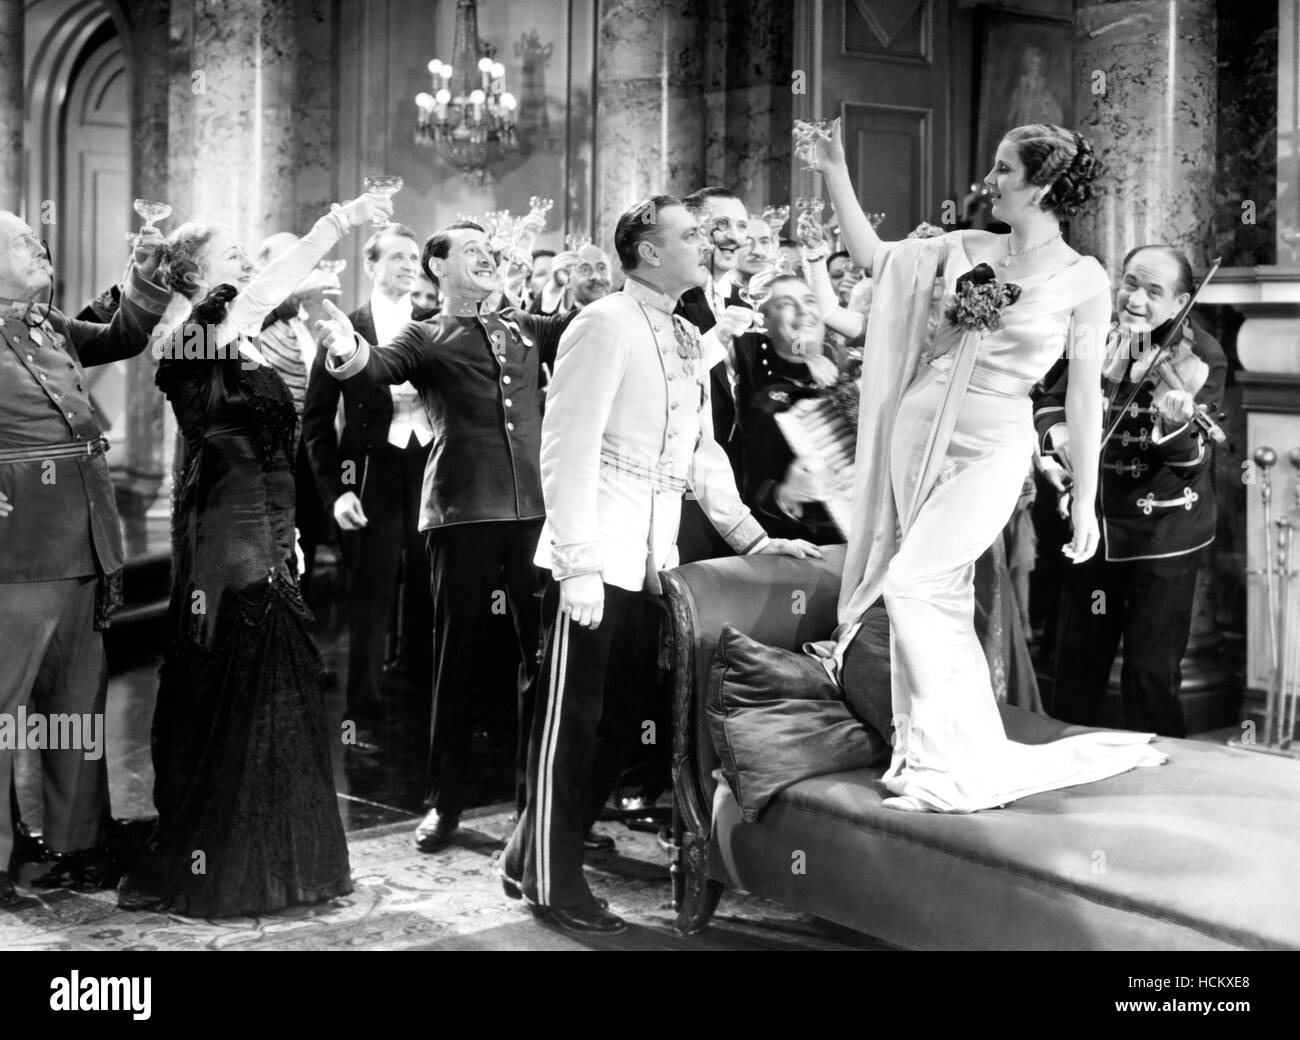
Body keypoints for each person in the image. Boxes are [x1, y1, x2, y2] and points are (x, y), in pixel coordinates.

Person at [806, 119, 1167, 813]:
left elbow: (1086, 396)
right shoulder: (969, 246)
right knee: (932, 594)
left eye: (1005, 169)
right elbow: (874, 257)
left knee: (913, 583)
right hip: (918, 433)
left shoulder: (1085, 280)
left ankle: (950, 761)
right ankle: (931, 753)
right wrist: (834, 169)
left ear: (1045, 186)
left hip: (993, 443)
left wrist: (1085, 500)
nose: (989, 181)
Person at [500, 196, 820, 934]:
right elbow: (566, 447)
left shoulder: (683, 333)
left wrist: (753, 540)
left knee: (625, 724)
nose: (705, 244)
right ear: (646, 251)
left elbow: (701, 456)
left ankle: (532, 852)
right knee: (570, 726)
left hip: (653, 564)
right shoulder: (603, 323)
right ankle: (552, 882)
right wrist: (578, 563)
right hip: (593, 560)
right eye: (690, 234)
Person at [115, 190, 392, 916]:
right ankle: (220, 864)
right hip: (226, 543)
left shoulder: (239, 333)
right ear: (193, 275)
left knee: (281, 687)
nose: (243, 262)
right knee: (235, 681)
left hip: (272, 529)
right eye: (229, 255)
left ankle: (281, 860)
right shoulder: (185, 337)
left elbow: (275, 444)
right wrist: (330, 229)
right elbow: (236, 308)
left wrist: (294, 530)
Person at [317, 218, 574, 854]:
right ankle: (445, 803)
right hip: (461, 515)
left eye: (491, 250)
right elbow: (373, 368)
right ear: (439, 267)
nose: (487, 257)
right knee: (456, 660)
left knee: (542, 659)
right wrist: (346, 348)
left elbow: (586, 331)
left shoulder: (524, 327)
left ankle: (536, 801)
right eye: (472, 251)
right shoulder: (427, 335)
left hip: (535, 515)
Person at [0, 217, 170, 905]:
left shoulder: (47, 325)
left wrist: (147, 270)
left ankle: (74, 846)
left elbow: (126, 336)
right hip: (17, 551)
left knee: (74, 703)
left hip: (85, 538)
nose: (39, 246)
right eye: (18, 242)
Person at [1034, 244, 1227, 736]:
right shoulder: (1094, 335)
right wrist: (1058, 439)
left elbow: (1191, 464)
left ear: (1182, 302)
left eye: (1153, 292)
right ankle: (1067, 766)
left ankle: (1161, 779)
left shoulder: (1202, 356)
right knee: (1078, 658)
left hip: (1163, 534)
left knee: (1149, 671)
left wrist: (1174, 426)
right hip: (1093, 524)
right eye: (1129, 284)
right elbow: (1050, 398)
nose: (1135, 300)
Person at [302, 223, 435, 755]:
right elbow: (314, 423)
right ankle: (363, 716)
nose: (408, 266)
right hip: (370, 477)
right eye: (397, 257)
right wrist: (337, 491)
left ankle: (425, 708)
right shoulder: (345, 326)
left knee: (429, 596)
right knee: (372, 600)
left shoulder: (434, 324)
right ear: (371, 264)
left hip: (430, 471)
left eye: (414, 258)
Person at [255, 232, 341, 599]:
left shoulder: (300, 325)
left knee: (307, 532)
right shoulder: (250, 317)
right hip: (266, 456)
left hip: (305, 452)